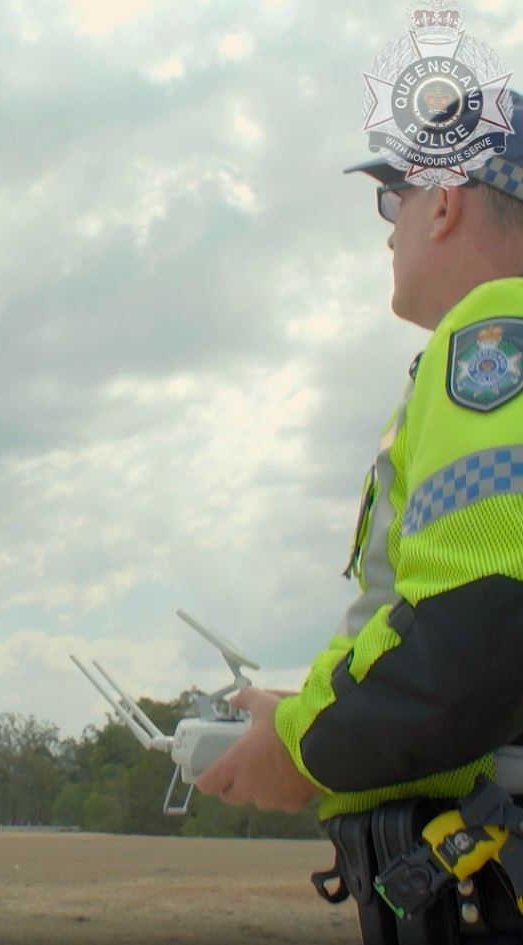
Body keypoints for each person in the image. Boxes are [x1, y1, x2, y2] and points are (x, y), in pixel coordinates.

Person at [195, 90, 523, 945]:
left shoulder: (493, 336)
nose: (386, 232)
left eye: (393, 199)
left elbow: (480, 620)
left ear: (443, 204)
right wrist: (317, 704)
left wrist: (299, 746)